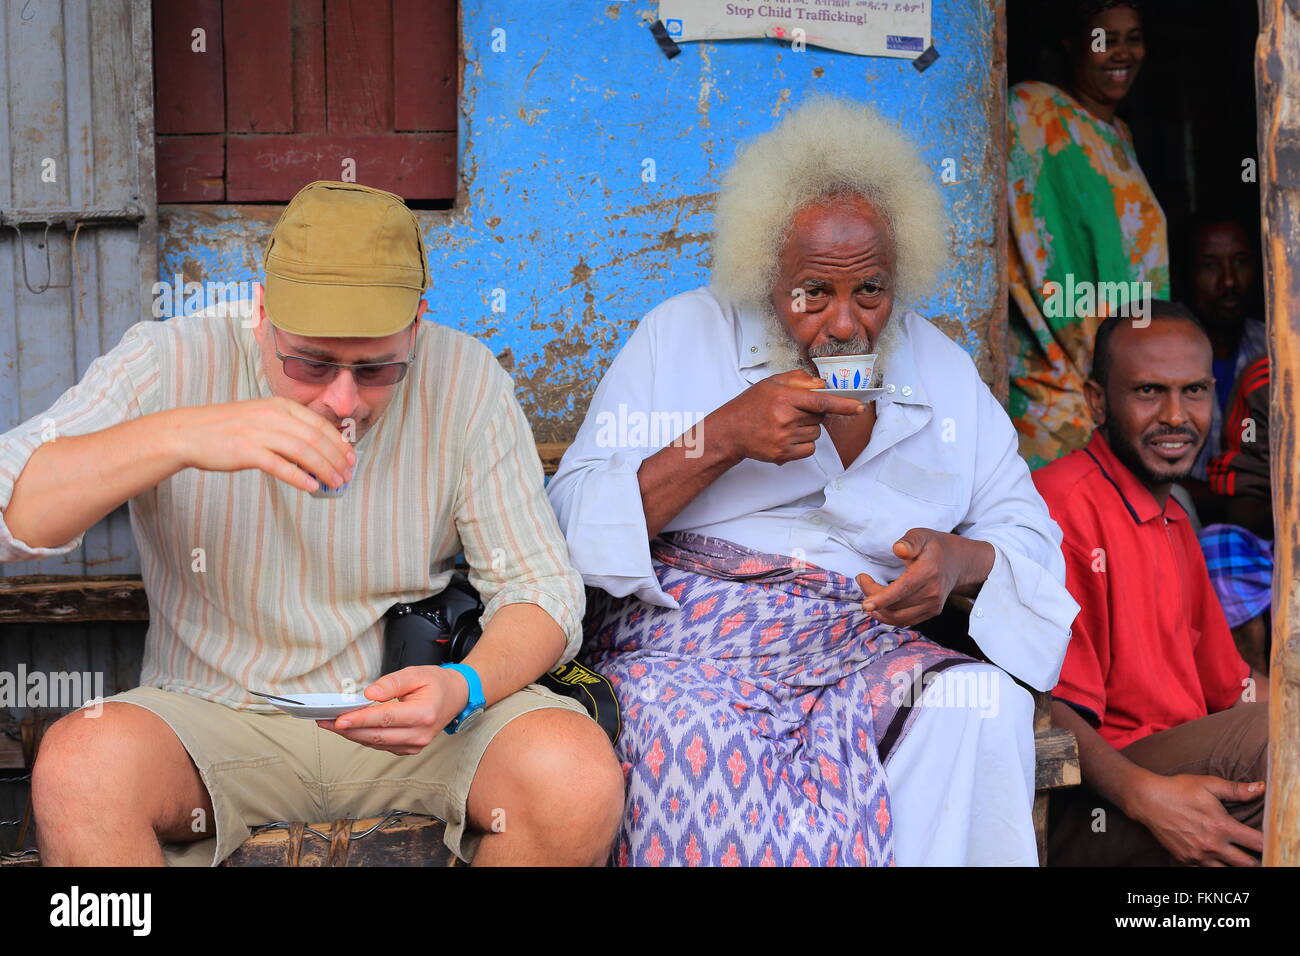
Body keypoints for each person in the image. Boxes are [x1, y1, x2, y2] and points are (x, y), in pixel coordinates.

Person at [4, 181, 625, 866]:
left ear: (417, 324)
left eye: (377, 368)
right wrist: (182, 435)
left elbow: (542, 588)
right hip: (217, 718)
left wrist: (465, 686)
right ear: (263, 311)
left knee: (575, 776)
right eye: (311, 362)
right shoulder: (170, 359)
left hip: (415, 721)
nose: (342, 400)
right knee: (79, 768)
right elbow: (11, 511)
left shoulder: (464, 378)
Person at [547, 97, 1080, 867]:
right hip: (692, 654)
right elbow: (568, 524)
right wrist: (721, 439)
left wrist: (960, 564)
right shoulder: (682, 335)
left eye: (870, 291)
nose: (843, 325)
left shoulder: (942, 371)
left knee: (980, 703)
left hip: (864, 648)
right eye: (813, 293)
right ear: (767, 273)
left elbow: (1028, 537)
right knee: (684, 729)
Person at [1032, 302, 1269, 866]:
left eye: (1194, 391)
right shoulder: (1059, 506)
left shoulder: (1174, 520)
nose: (1175, 415)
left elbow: (1232, 687)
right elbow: (1037, 716)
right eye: (1147, 392)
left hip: (1183, 771)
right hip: (1094, 805)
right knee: (1277, 744)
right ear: (1096, 401)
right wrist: (1145, 798)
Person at [1008, 0, 1170, 469]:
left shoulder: (1118, 134)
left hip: (1121, 386)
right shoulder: (1031, 113)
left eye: (1132, 38)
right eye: (1104, 39)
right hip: (1055, 393)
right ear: (1072, 46)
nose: (1121, 53)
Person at [1202, 353, 1272, 675]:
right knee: (1219, 547)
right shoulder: (1268, 379)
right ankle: (1254, 695)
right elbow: (1241, 502)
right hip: (1278, 545)